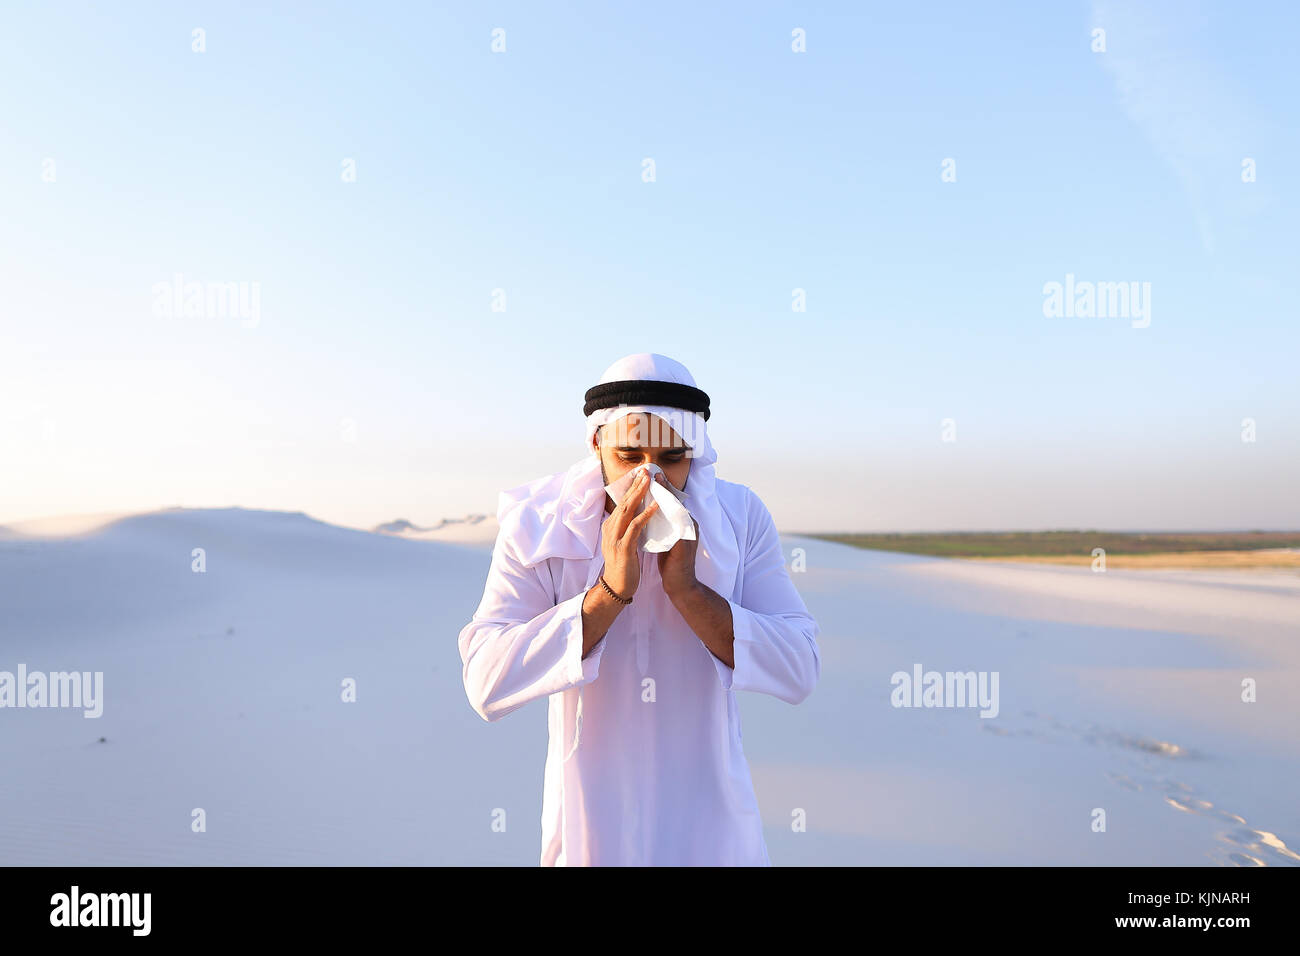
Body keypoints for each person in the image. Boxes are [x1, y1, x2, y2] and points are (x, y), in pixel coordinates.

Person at [457, 352, 821, 865]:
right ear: (596, 444)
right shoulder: (537, 524)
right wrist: (609, 592)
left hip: (713, 830)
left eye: (672, 458)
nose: (651, 480)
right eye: (630, 457)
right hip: (590, 829)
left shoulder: (739, 518)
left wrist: (690, 594)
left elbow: (800, 668)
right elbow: (486, 683)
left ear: (695, 454)